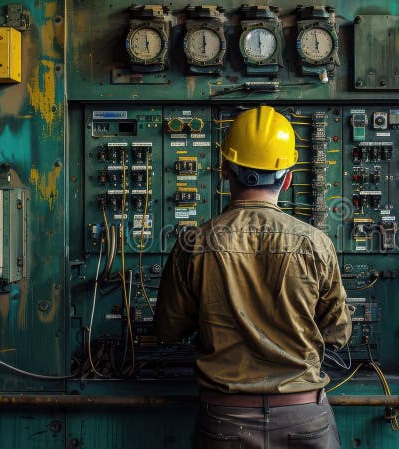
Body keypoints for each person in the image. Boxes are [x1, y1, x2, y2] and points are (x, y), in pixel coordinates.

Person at [155, 105, 352, 449]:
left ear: (224, 170)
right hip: (303, 415)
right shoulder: (315, 243)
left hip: (225, 420)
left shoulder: (194, 243)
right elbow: (337, 334)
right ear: (288, 178)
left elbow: (169, 330)